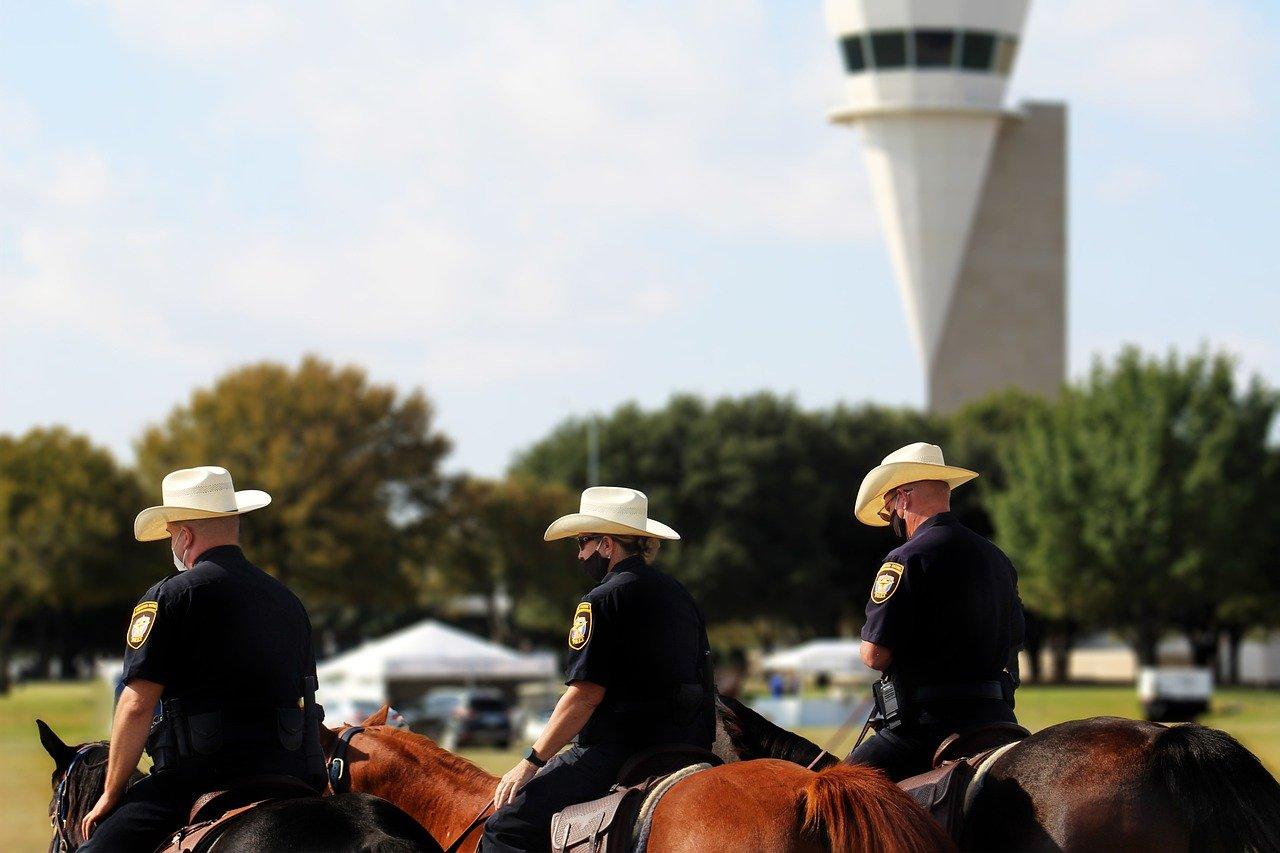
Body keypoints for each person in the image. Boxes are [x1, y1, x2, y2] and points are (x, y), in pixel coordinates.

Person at [80, 466, 326, 851]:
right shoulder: (288, 600)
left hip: (197, 779)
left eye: (169, 535)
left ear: (184, 536)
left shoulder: (171, 596)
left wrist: (110, 795)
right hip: (291, 775)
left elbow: (135, 705)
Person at [481, 487, 715, 853]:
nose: (579, 554)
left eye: (583, 543)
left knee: (505, 826)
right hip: (688, 745)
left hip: (618, 751)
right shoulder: (680, 593)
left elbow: (585, 695)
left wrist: (531, 762)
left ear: (607, 545)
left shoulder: (600, 601)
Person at [846, 443, 1024, 782]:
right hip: (998, 719)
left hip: (926, 728)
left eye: (889, 508)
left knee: (830, 798)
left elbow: (874, 655)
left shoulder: (906, 558)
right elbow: (1013, 641)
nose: (892, 519)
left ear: (904, 498)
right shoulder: (997, 557)